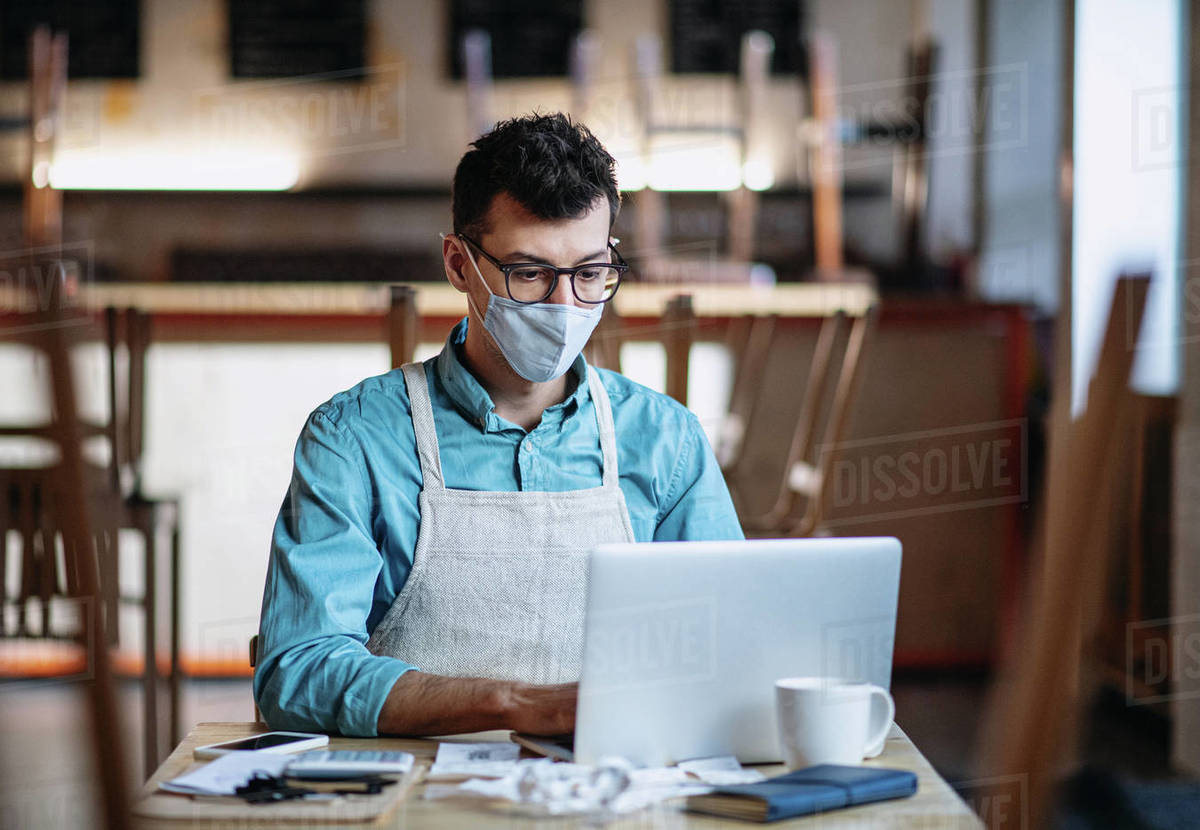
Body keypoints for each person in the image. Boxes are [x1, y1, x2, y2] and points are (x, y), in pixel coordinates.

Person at [254, 112, 743, 738]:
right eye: (530, 273)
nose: (564, 307)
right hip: (418, 792)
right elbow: (295, 672)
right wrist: (514, 704)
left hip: (605, 789)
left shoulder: (666, 440)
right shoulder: (355, 440)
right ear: (460, 266)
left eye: (590, 273)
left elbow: (727, 646)